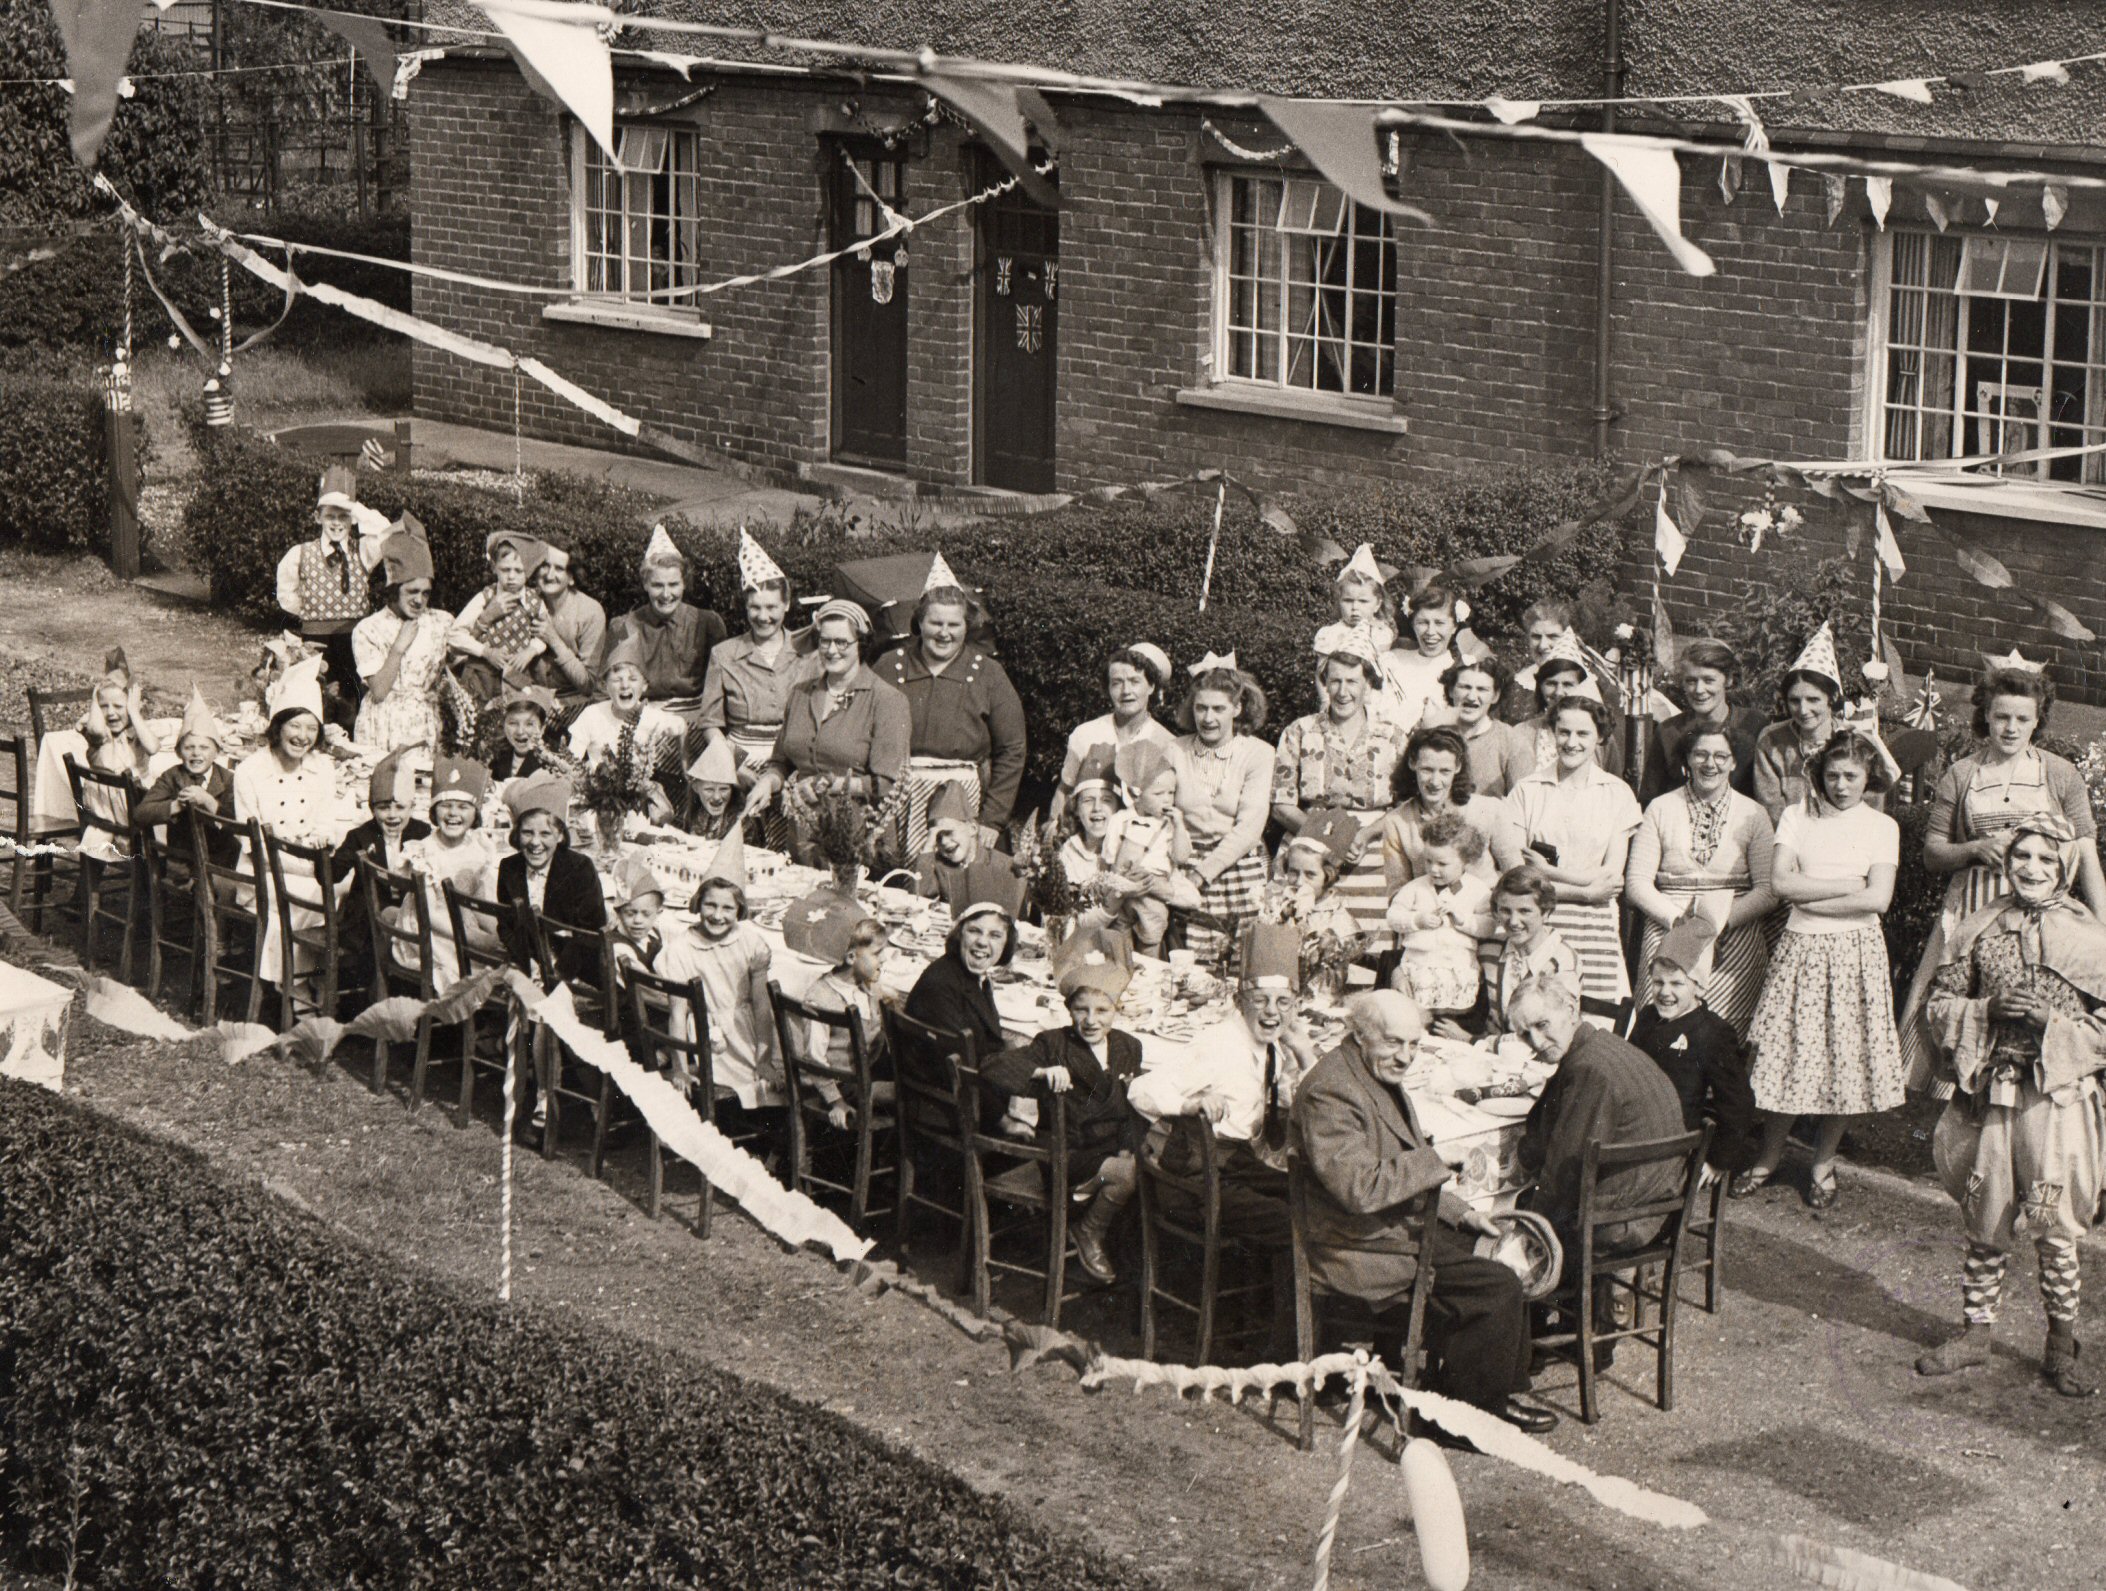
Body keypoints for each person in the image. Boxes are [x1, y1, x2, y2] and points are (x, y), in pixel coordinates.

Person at [1293, 989, 1557, 1436]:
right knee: (1496, 1284)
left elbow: (1400, 1164)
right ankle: (1462, 1420)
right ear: (1359, 1035)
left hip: (1384, 1226)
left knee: (1499, 1255)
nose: (1405, 1056)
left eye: (1414, 1044)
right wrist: (1435, 1161)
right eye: (1393, 1042)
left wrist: (1461, 1213)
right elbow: (1360, 1189)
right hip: (1355, 1245)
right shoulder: (1331, 1091)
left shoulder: (1368, 1073)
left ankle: (1485, 1394)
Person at [1915, 812, 2106, 1397]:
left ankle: (2060, 1344)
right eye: (2022, 855)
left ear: (2066, 867)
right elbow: (1939, 1003)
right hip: (1990, 1093)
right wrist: (1984, 1011)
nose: (2032, 868)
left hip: (2056, 1097)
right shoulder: (1980, 927)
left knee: (2055, 1223)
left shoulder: (2092, 938)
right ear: (2005, 860)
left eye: (2047, 858)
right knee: (1986, 1215)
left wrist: (2053, 1023)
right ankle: (1976, 1334)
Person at [1900, 656, 2106, 1078]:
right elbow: (1933, 854)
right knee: (1966, 1002)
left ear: (2037, 721)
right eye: (2001, 717)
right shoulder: (1962, 774)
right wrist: (1975, 848)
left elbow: (2086, 855)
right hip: (1973, 909)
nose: (2011, 728)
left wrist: (2102, 925)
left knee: (2029, 1005)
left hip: (2041, 915)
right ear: (1986, 717)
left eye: (2022, 719)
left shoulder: (2060, 774)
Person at [1738, 731, 1904, 1209]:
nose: (1841, 785)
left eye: (1851, 776)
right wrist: (1848, 885)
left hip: (1856, 953)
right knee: (1787, 1053)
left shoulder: (1881, 826)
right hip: (1801, 949)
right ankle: (1768, 1156)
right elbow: (1781, 883)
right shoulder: (1797, 816)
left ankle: (1822, 1162)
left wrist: (1813, 894)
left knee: (1844, 1057)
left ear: (1868, 777)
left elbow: (1878, 898)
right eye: (1832, 775)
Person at [1509, 974, 1688, 1364]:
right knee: (1545, 1202)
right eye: (1524, 1034)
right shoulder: (1602, 1047)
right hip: (1660, 1201)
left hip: (1628, 1218)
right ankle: (1581, 1327)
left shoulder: (1590, 1069)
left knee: (1519, 1211)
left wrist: (1527, 1219)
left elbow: (1564, 1169)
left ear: (1571, 1010)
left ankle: (1529, 1343)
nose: (1536, 1041)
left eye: (1542, 1025)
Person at [1128, 921, 1315, 1245]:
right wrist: (1189, 1104)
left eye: (1283, 1002)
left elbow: (1293, 1103)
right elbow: (1139, 1089)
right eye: (1260, 1000)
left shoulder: (1273, 1047)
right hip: (1196, 1183)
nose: (1272, 1012)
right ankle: (1273, 1278)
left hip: (1238, 1164)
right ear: (1239, 1001)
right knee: (1297, 1222)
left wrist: (1304, 1053)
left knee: (1316, 1199)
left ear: (1296, 1006)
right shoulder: (1218, 1045)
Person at [983, 927, 1145, 1283]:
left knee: (1141, 1164)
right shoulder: (1053, 1044)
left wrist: (1127, 1146)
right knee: (1129, 1174)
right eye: (1081, 1010)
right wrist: (1041, 1071)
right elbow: (994, 1068)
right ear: (1069, 1009)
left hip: (1108, 1151)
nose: (1091, 1020)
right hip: (1065, 1154)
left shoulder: (1128, 1046)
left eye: (1102, 1010)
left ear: (1117, 1010)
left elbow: (1131, 1110)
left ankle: (1118, 1243)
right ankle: (1088, 1231)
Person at [1500, 681, 1643, 1018]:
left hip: (1596, 922)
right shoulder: (1528, 790)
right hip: (1538, 919)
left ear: (1600, 737)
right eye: (1564, 732)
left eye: (1583, 734)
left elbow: (1611, 877)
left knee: (1594, 1015)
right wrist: (1585, 891)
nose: (1571, 742)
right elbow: (1518, 878)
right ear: (1552, 732)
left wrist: (1548, 873)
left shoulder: (1616, 793)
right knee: (1535, 1011)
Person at [1624, 725, 1777, 1037]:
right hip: (1669, 926)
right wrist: (1680, 924)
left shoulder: (1754, 813)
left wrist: (1716, 925)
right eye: (1701, 755)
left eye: (1721, 756)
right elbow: (1637, 883)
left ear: (1734, 762)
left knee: (1726, 1035)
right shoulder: (1661, 808)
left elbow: (1767, 890)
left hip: (1733, 931)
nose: (1710, 764)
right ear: (1687, 759)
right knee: (1661, 1027)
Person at [876, 553, 1028, 847]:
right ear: (920, 622)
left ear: (966, 626)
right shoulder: (889, 666)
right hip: (895, 799)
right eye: (936, 623)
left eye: (954, 625)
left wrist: (992, 819)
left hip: (963, 801)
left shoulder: (988, 674)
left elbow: (1012, 749)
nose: (944, 633)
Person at [745, 599, 913, 864]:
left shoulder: (886, 700)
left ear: (861, 643)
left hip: (859, 836)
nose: (832, 650)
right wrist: (767, 782)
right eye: (825, 641)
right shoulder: (801, 693)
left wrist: (827, 785)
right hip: (804, 833)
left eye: (842, 642)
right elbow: (781, 762)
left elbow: (887, 784)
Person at [1271, 623, 1410, 935]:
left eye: (1352, 682)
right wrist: (1328, 838)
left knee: (1370, 946)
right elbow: (1281, 804)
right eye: (1335, 681)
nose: (1342, 691)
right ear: (1324, 683)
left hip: (1372, 852)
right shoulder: (1299, 731)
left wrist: (1364, 835)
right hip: (1307, 854)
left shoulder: (1393, 736)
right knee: (1300, 939)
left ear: (1368, 684)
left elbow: (1406, 805)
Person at [233, 657, 346, 992]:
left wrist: (321, 841)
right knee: (318, 896)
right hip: (261, 872)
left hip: (307, 865)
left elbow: (326, 822)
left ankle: (316, 983)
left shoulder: (323, 768)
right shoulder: (250, 771)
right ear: (278, 726)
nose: (302, 737)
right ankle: (297, 990)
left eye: (311, 728)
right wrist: (306, 866)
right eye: (295, 726)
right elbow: (254, 846)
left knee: (346, 891)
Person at [658, 828, 783, 1119]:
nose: (717, 915)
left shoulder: (752, 944)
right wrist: (679, 1067)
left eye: (728, 908)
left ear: (740, 909)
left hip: (748, 1032)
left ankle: (766, 1133)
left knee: (779, 1076)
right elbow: (677, 1013)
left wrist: (764, 1057)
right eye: (710, 905)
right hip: (708, 1037)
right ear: (698, 903)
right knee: (747, 1086)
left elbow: (761, 1005)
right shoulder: (681, 949)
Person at [1626, 916, 1760, 1182]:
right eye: (1658, 982)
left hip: (1672, 1141)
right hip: (1634, 1125)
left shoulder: (1713, 1033)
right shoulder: (1649, 1016)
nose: (1665, 992)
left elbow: (1737, 1103)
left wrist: (1717, 1160)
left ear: (1698, 987)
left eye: (1677, 984)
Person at [1168, 655, 1276, 961]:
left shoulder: (1259, 753)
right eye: (1201, 708)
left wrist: (1201, 875)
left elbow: (1249, 828)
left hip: (1239, 867)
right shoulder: (1175, 750)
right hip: (1185, 866)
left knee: (1245, 964)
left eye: (1218, 709)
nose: (1208, 718)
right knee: (1190, 967)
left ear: (1237, 709)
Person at [695, 529, 817, 794]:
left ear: (786, 605)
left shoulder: (809, 652)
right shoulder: (724, 654)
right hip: (739, 763)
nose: (763, 616)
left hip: (796, 762)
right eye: (755, 607)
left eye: (771, 607)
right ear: (745, 606)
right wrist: (734, 766)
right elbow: (710, 724)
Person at [275, 463, 382, 730]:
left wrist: (353, 507)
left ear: (352, 520)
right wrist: (313, 612)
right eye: (330, 516)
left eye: (343, 516)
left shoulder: (363, 551)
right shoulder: (300, 553)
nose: (336, 523)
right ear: (317, 517)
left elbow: (385, 532)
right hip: (316, 641)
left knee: (352, 702)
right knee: (317, 700)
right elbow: (286, 595)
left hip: (354, 640)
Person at [784, 886, 891, 1129]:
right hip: (842, 1086)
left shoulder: (866, 985)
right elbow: (815, 1058)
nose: (884, 959)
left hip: (866, 1073)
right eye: (877, 953)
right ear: (851, 958)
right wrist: (836, 1101)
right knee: (912, 1095)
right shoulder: (821, 998)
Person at [903, 862, 1027, 1066]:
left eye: (995, 935)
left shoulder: (975, 976)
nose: (983, 942)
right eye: (974, 931)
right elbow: (965, 1061)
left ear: (1007, 942)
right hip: (949, 1082)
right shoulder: (941, 984)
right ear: (959, 934)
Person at [329, 752, 430, 997]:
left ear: (412, 807)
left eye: (400, 807)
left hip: (408, 916)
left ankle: (412, 992)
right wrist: (327, 852)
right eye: (383, 808)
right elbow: (330, 877)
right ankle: (381, 993)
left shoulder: (423, 832)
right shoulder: (360, 835)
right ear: (372, 808)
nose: (392, 815)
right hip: (366, 921)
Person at [1750, 623, 1874, 822]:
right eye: (1794, 700)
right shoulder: (1772, 740)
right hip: (1789, 836)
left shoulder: (1855, 741)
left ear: (1832, 697)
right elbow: (1771, 810)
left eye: (1813, 699)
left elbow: (1870, 807)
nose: (1803, 710)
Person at [351, 516, 452, 754]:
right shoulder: (369, 628)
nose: (419, 600)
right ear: (394, 590)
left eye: (425, 593)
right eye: (412, 592)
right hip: (382, 723)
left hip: (426, 722)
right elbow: (379, 691)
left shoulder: (441, 622)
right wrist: (397, 648)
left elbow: (461, 660)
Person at [604, 524, 729, 715]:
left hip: (697, 717)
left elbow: (722, 686)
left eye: (673, 584)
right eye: (657, 585)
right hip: (641, 716)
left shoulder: (707, 624)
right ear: (645, 584)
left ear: (684, 583)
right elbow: (604, 690)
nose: (666, 594)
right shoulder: (624, 627)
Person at [400, 754, 500, 993]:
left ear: (475, 814)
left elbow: (484, 898)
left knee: (504, 953)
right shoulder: (424, 851)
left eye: (463, 807)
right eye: (445, 806)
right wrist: (472, 938)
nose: (453, 813)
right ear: (434, 811)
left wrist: (497, 932)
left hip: (464, 925)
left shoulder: (478, 846)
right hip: (430, 930)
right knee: (463, 966)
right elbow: (428, 912)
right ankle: (464, 1007)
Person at [496, 771, 607, 983]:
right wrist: (528, 965)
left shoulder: (580, 869)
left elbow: (588, 934)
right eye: (527, 832)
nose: (535, 842)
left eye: (545, 834)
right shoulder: (509, 868)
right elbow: (506, 927)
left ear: (561, 835)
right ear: (517, 834)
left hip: (575, 972)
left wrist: (556, 975)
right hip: (529, 967)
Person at [1051, 644, 1178, 826]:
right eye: (1117, 683)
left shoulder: (1167, 744)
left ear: (1151, 687)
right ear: (1108, 689)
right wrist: (1054, 829)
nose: (1126, 691)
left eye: (1135, 681)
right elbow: (1064, 791)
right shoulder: (1086, 734)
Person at [1387, 812, 1495, 1023]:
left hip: (1458, 967)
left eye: (1442, 864)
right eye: (1428, 861)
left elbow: (1489, 925)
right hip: (1418, 965)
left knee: (1453, 1018)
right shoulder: (1416, 888)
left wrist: (1463, 921)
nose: (1433, 869)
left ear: (1465, 861)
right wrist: (1416, 920)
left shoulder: (1478, 890)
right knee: (1415, 1017)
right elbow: (1393, 916)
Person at [567, 635, 687, 824]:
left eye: (633, 679)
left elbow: (680, 725)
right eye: (616, 680)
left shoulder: (651, 716)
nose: (625, 685)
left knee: (653, 819)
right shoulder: (592, 715)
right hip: (598, 795)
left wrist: (681, 749)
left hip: (636, 796)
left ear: (644, 685)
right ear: (605, 685)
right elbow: (571, 759)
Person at [1378, 725, 1511, 892]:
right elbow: (1398, 890)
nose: (1435, 781)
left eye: (1445, 771)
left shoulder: (1489, 810)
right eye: (1427, 770)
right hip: (1426, 906)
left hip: (1484, 904)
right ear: (1412, 763)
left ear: (1458, 767)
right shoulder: (1396, 822)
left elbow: (1515, 873)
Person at [1638, 637, 1767, 806]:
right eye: (1691, 681)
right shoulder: (1669, 732)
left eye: (1709, 680)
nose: (1699, 690)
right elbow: (1650, 800)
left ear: (1728, 680)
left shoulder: (1753, 725)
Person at [1095, 739, 1194, 957]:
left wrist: (1179, 826)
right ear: (1137, 793)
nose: (1166, 800)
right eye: (1159, 794)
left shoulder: (1169, 825)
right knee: (1119, 939)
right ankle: (1121, 966)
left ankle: (1150, 968)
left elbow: (1181, 857)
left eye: (1171, 793)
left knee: (1151, 937)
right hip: (1123, 889)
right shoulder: (1121, 819)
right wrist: (1110, 883)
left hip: (1153, 891)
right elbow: (1109, 855)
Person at [1479, 866, 1582, 1040]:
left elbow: (1552, 1036)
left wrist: (1473, 1040)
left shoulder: (1561, 960)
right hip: (1491, 1050)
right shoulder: (1489, 948)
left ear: (1546, 913)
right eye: (1505, 910)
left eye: (1524, 911)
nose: (1513, 921)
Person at [135, 688, 237, 865]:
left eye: (204, 748)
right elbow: (141, 813)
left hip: (221, 862)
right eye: (189, 748)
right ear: (178, 752)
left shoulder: (228, 779)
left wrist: (208, 801)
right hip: (182, 862)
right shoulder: (172, 776)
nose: (196, 753)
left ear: (217, 752)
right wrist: (177, 805)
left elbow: (237, 823)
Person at [449, 531, 551, 705]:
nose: (511, 577)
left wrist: (530, 651)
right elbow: (454, 635)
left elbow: (545, 634)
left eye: (518, 571)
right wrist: (486, 652)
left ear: (528, 571)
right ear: (494, 567)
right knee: (479, 712)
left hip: (517, 677)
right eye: (505, 570)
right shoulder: (485, 598)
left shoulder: (535, 602)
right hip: (481, 676)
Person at [1515, 629, 1624, 778]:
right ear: (1540, 686)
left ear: (1581, 686)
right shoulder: (1522, 733)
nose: (1559, 692)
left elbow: (1613, 783)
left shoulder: (1601, 737)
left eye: (1567, 684)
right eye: (1551, 683)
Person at [1439, 654, 1534, 799]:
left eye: (1482, 689)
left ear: (1495, 695)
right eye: (1465, 687)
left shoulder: (1512, 742)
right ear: (1451, 690)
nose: (1471, 697)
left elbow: (1524, 803)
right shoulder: (1433, 734)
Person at [526, 538, 608, 705]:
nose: (549, 575)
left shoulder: (590, 612)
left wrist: (554, 640)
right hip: (530, 699)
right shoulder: (525, 602)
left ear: (571, 577)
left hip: (575, 702)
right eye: (545, 565)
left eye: (559, 568)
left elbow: (589, 684)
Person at [1381, 581, 1467, 734]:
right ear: (1413, 624)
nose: (1430, 632)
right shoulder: (1393, 659)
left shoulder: (1460, 672)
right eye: (1423, 622)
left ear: (1454, 627)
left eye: (1439, 623)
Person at [489, 684, 575, 784]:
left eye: (529, 724)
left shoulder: (555, 761)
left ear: (542, 728)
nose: (520, 731)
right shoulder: (497, 754)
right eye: (513, 723)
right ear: (503, 724)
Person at [608, 855, 668, 975]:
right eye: (630, 914)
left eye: (646, 914)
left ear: (658, 913)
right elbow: (644, 981)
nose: (638, 920)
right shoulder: (619, 948)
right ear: (619, 913)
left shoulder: (654, 933)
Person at [683, 736, 742, 842]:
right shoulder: (692, 814)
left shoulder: (741, 821)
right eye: (709, 789)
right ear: (696, 788)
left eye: (724, 789)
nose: (717, 797)